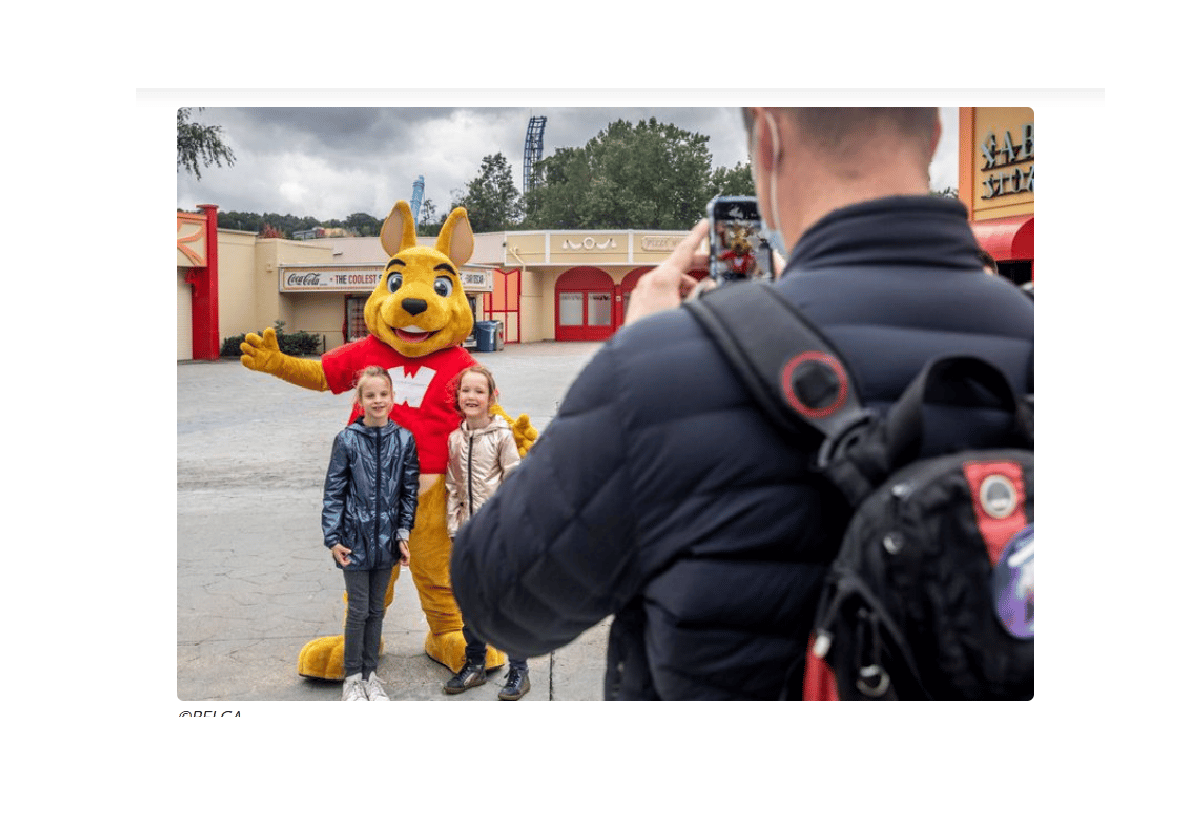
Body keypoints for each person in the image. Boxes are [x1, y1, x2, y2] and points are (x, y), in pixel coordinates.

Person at [450, 107, 1035, 699]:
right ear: (934, 134)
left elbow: (500, 601)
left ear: (770, 138)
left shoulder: (658, 367)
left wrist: (630, 356)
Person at [323, 365, 421, 701]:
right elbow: (334, 492)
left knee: (377, 610)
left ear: (393, 398)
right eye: (370, 395)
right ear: (359, 400)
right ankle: (353, 678)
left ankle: (370, 675)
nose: (377, 400)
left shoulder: (404, 440)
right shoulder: (347, 440)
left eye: (383, 394)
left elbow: (410, 491)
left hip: (388, 542)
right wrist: (333, 538)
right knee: (359, 610)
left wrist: (403, 533)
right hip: (354, 540)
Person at [442, 365, 529, 700]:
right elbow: (453, 488)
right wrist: (455, 527)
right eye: (466, 390)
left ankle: (519, 670)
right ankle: (475, 663)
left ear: (493, 396)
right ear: (458, 396)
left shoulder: (502, 435)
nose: (472, 396)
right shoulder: (455, 438)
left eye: (479, 391)